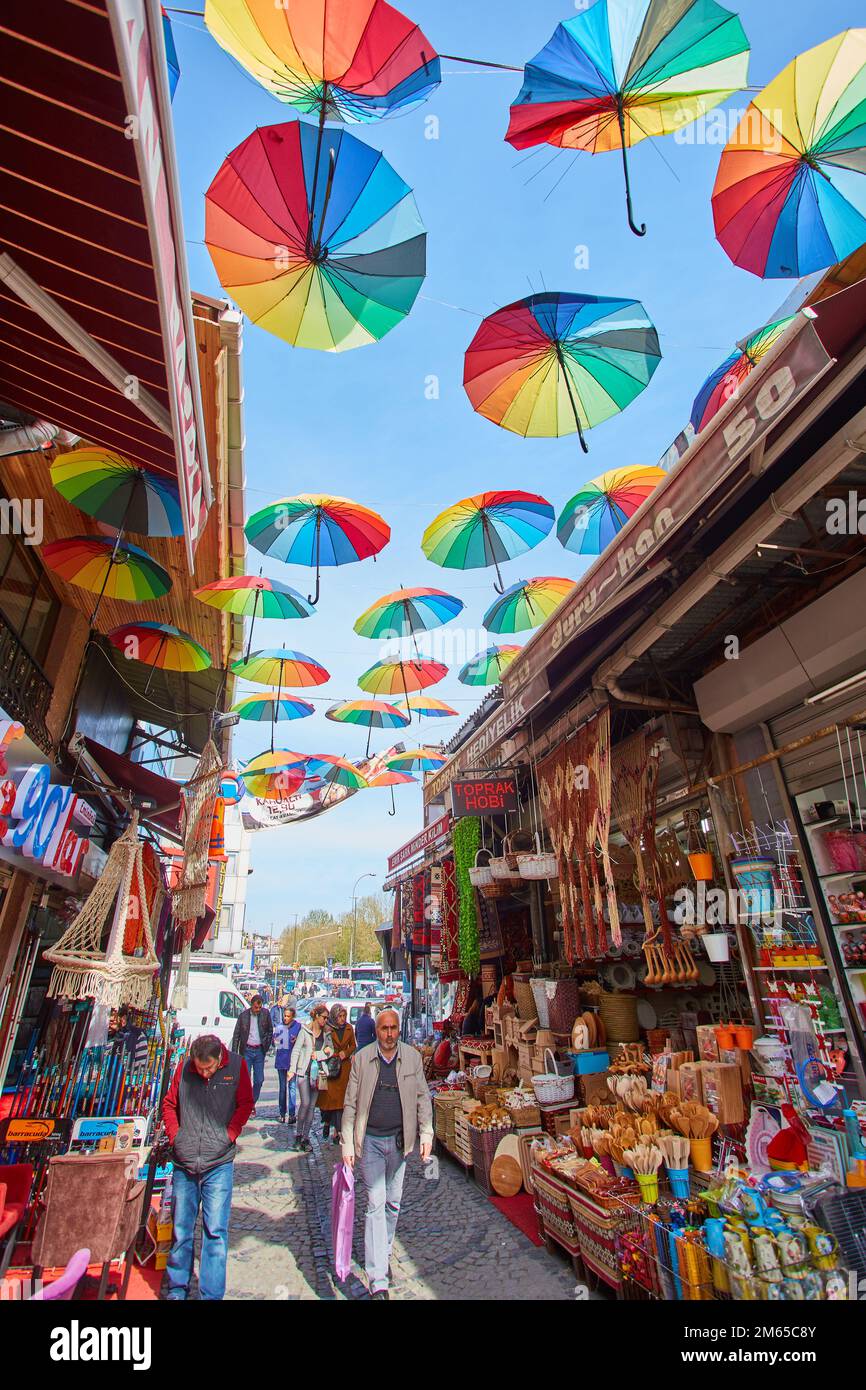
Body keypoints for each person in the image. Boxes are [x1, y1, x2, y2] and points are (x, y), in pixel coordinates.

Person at [341, 1009, 433, 1300]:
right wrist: (347, 1144)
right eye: (384, 1029)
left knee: (393, 1204)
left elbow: (422, 1097)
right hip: (370, 1142)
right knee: (375, 1203)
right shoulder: (362, 1060)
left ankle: (383, 1249)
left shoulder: (413, 1058)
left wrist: (426, 1134)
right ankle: (377, 1278)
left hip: (399, 1142)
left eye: (394, 1028)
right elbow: (351, 1104)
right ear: (376, 1030)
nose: (390, 1033)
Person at [162, 1033, 253, 1301]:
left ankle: (211, 1295)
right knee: (181, 1230)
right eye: (200, 1069)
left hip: (219, 1163)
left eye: (209, 1068)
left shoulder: (236, 1066)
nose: (203, 1073)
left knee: (215, 1232)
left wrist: (230, 1134)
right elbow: (169, 1103)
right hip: (184, 1161)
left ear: (219, 1059)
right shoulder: (184, 1067)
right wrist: (175, 1136)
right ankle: (177, 1289)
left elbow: (245, 1103)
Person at [288, 1002, 333, 1152]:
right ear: (317, 1016)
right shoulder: (304, 1031)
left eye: (327, 1018)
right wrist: (292, 1070)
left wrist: (320, 1054)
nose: (326, 1021)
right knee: (305, 1103)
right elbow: (296, 1051)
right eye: (324, 1017)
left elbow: (330, 1051)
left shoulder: (327, 1033)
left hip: (318, 1073)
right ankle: (298, 1135)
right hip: (304, 1071)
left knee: (312, 1106)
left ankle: (306, 1138)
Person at [318, 1004, 356, 1144]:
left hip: (344, 1068)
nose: (342, 1019)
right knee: (330, 1101)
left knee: (341, 1103)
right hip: (331, 1068)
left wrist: (345, 1053)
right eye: (339, 1016)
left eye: (344, 1016)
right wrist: (331, 1053)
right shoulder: (327, 1028)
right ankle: (327, 1122)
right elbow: (322, 1045)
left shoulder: (348, 1028)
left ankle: (337, 1132)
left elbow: (353, 1045)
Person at [231, 994, 273, 1108]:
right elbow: (236, 1035)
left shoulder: (265, 1014)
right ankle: (246, 1103)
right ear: (251, 1005)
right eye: (256, 1008)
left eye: (259, 1008)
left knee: (259, 1080)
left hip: (259, 1050)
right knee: (245, 1080)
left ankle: (251, 1103)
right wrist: (235, 1054)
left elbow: (270, 1031)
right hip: (247, 1051)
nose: (258, 1010)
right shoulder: (243, 1016)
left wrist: (266, 1045)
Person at [274, 1005, 301, 1123]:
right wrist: (275, 1040)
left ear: (292, 1017)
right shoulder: (280, 1027)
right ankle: (282, 1113)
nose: (285, 1018)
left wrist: (297, 1040)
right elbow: (276, 1044)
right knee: (282, 1088)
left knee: (292, 1088)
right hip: (281, 1061)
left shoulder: (298, 1027)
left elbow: (301, 1042)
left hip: (292, 1062)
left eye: (288, 1016)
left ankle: (292, 1114)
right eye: (284, 1016)